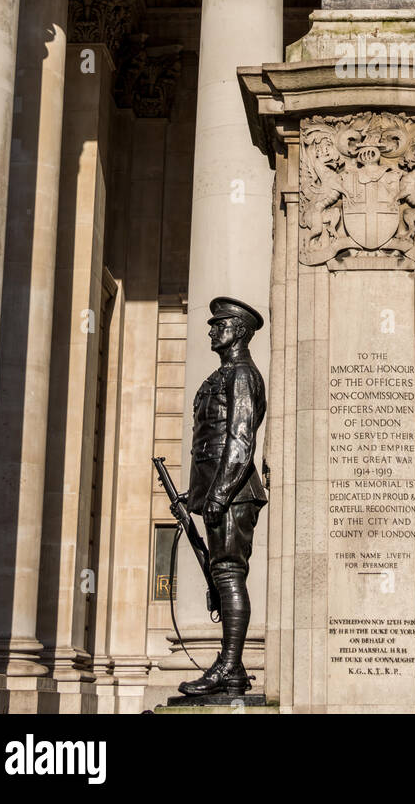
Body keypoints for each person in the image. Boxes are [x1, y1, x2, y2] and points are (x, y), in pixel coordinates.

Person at [178, 297, 267, 697]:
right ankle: (231, 669)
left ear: (240, 331)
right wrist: (195, 495)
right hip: (219, 490)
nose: (212, 331)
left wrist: (218, 494)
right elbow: (207, 443)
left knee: (229, 573)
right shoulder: (222, 375)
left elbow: (240, 440)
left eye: (221, 325)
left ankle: (229, 664)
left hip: (233, 491)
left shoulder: (243, 375)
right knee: (222, 573)